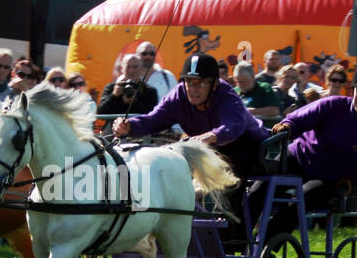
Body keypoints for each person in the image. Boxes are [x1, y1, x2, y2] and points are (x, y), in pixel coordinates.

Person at [264, 64, 357, 235]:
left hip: (331, 178)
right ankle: (235, 240)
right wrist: (287, 126)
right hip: (299, 157)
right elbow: (300, 117)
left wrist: (355, 179)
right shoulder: (333, 104)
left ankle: (264, 244)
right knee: (261, 187)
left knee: (303, 197)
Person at [113, 51, 266, 180]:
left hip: (247, 146)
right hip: (209, 148)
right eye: (189, 82)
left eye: (201, 83)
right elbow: (154, 119)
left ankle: (232, 216)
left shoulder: (226, 95)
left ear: (215, 84)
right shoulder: (178, 95)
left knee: (230, 184)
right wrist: (129, 126)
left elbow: (234, 125)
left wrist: (212, 135)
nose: (194, 89)